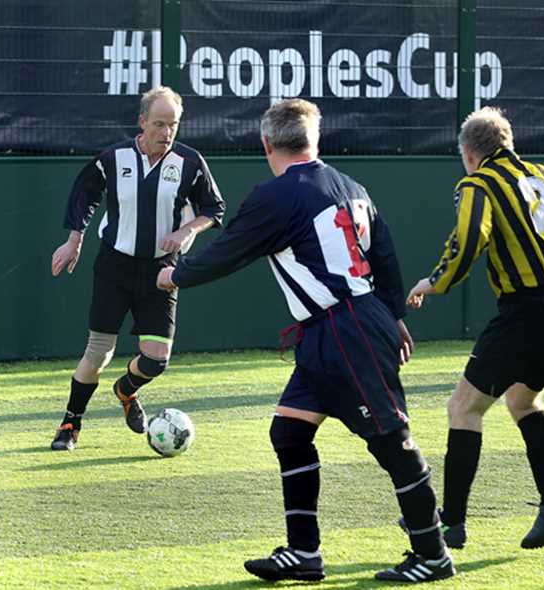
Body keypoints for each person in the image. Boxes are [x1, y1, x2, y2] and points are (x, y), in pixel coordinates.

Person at [158, 99, 454, 584]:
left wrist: (175, 276)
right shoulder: (351, 186)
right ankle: (304, 553)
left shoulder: (278, 195)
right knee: (289, 433)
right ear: (314, 141)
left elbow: (229, 253)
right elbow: (386, 252)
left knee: (391, 441)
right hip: (338, 327)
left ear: (267, 144)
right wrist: (394, 315)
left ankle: (433, 553)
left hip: (347, 329)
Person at [405, 107, 544, 549]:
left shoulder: (478, 183)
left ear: (469, 153)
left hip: (530, 308)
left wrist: (434, 282)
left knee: (463, 407)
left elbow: (467, 242)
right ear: (508, 142)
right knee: (523, 400)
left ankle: (453, 522)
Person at [48, 86, 225, 451]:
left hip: (161, 272)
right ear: (141, 122)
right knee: (97, 352)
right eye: (159, 124)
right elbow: (85, 194)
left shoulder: (190, 163)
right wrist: (74, 240)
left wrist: (186, 230)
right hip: (114, 266)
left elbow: (214, 208)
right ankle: (70, 423)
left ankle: (125, 390)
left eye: (172, 125)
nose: (166, 132)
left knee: (156, 361)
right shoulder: (113, 158)